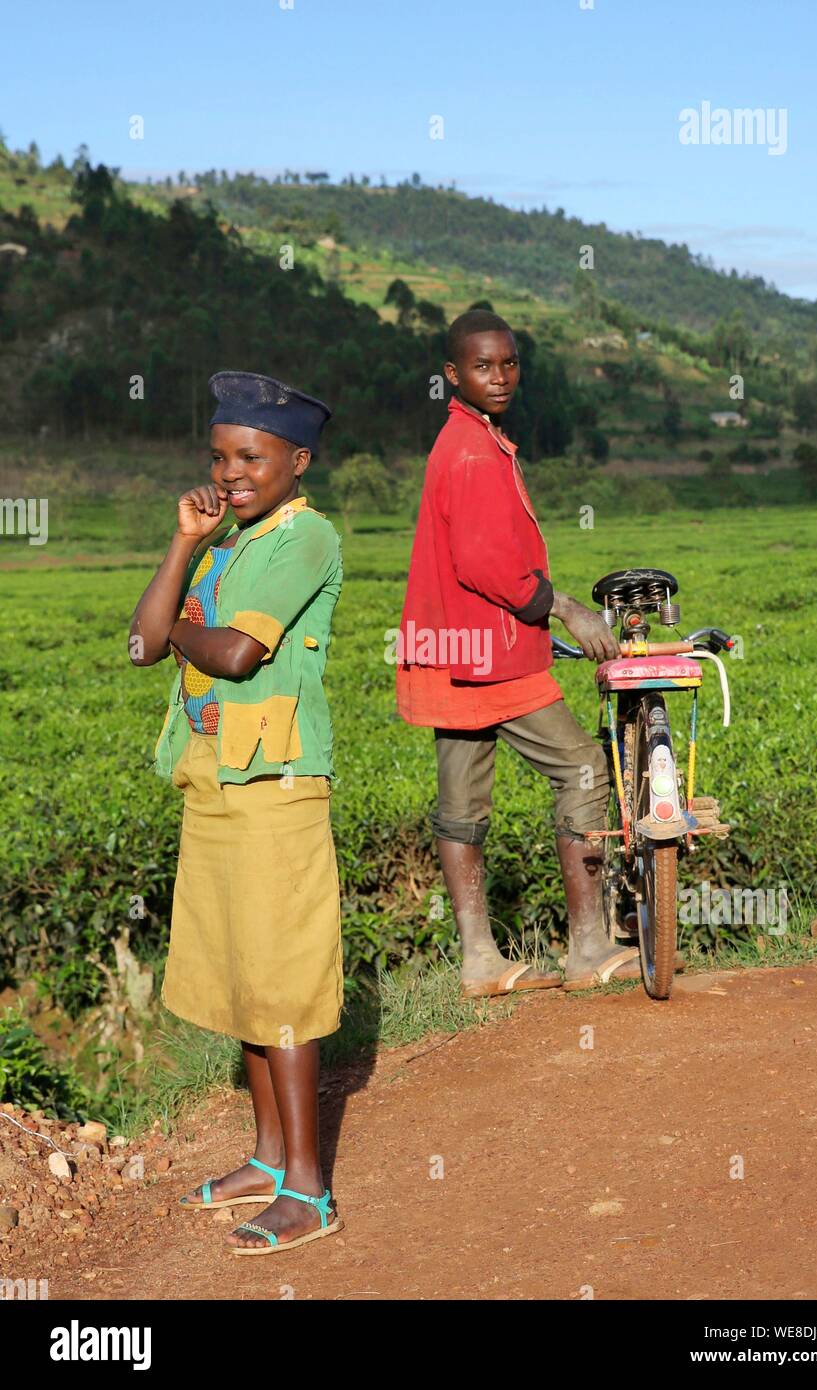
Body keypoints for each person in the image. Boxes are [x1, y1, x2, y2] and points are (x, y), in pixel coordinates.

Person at [129, 371, 345, 1256]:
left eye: (251, 456)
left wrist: (182, 628)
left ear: (297, 460)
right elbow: (142, 642)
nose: (231, 472)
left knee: (285, 984)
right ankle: (265, 1159)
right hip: (214, 779)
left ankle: (309, 1189)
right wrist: (183, 547)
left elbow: (237, 651)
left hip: (277, 784)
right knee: (246, 979)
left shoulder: (308, 537)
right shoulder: (222, 543)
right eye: (218, 456)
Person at [396, 310, 652, 997]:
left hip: (451, 649)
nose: (500, 376)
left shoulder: (464, 438)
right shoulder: (473, 451)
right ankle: (589, 945)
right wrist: (564, 605)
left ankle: (478, 961)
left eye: (508, 363)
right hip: (490, 658)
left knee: (460, 805)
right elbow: (487, 565)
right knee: (582, 771)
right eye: (483, 366)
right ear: (453, 375)